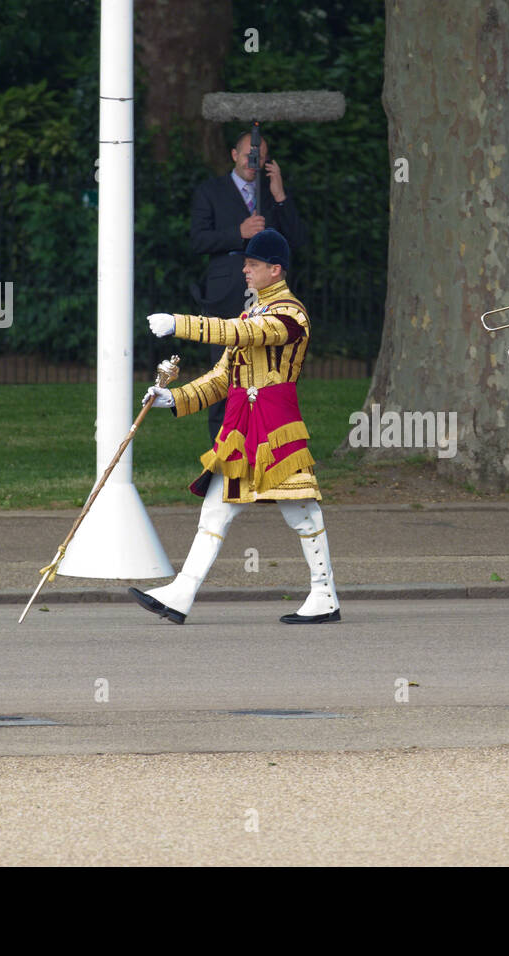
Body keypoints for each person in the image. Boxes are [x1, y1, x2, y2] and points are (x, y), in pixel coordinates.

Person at [129, 229, 340, 625]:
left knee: (302, 511)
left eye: (253, 264)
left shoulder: (290, 315)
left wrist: (180, 323)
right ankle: (182, 591)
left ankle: (324, 594)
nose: (245, 269)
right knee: (215, 510)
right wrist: (174, 398)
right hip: (241, 427)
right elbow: (222, 379)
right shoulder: (253, 313)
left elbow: (240, 334)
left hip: (276, 424)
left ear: (275, 270)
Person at [189, 130, 308, 443]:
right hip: (225, 292)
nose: (254, 162)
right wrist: (237, 232)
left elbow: (297, 241)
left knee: (268, 371)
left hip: (267, 295)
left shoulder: (271, 193)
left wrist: (280, 195)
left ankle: (265, 444)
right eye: (248, 156)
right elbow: (197, 240)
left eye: (261, 157)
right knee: (222, 369)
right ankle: (222, 451)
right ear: (233, 154)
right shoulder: (211, 191)